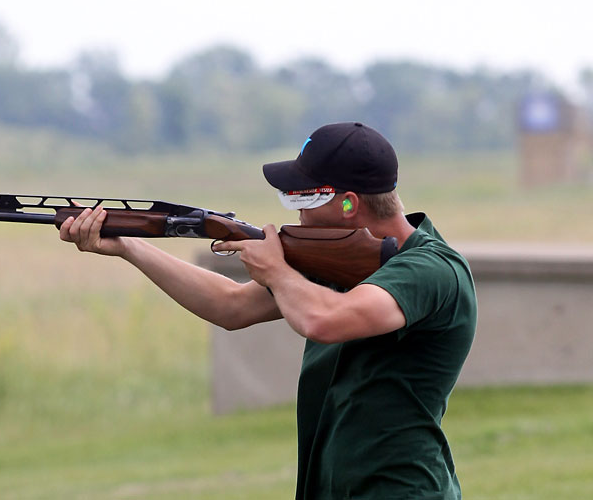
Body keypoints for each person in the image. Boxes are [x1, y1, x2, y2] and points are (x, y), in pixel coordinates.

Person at [59, 122, 477, 499]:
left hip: (401, 489)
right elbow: (231, 305)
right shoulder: (339, 264)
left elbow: (326, 321)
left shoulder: (431, 270)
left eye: (305, 198)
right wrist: (129, 246)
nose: (296, 213)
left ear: (349, 204)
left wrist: (277, 270)